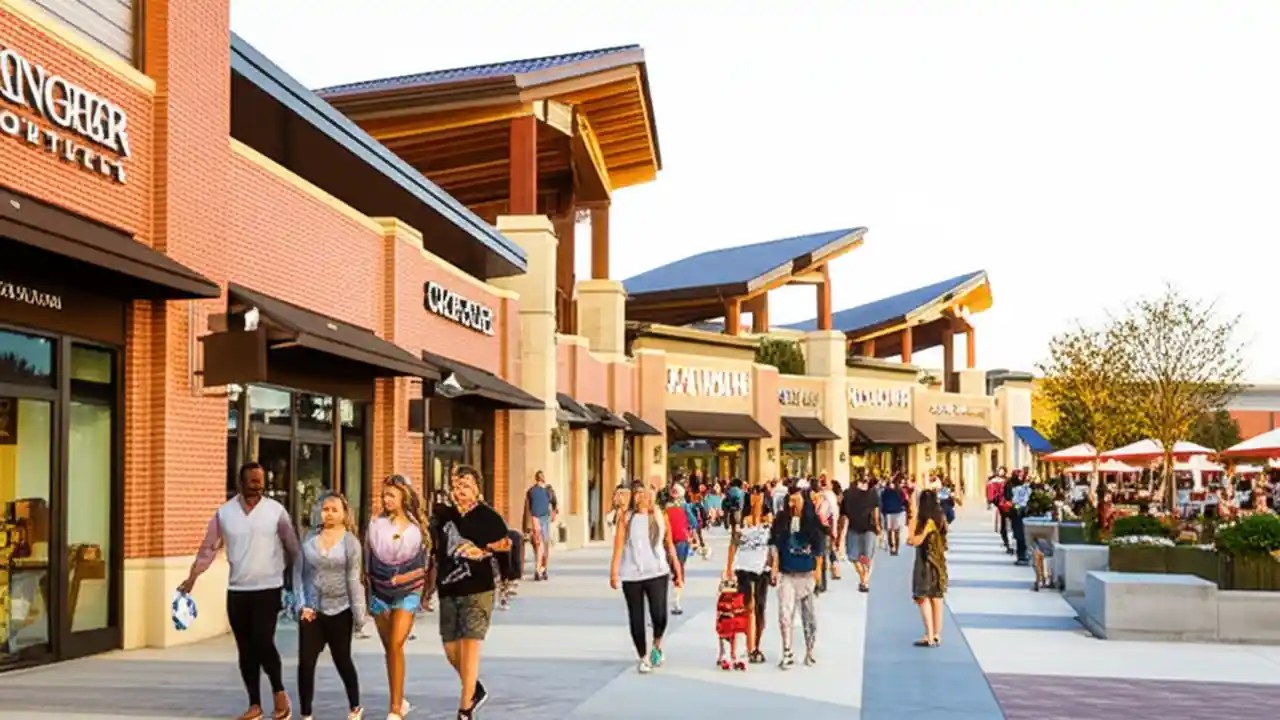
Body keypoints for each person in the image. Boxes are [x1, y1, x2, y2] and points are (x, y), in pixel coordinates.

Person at [179, 462, 300, 720]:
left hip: (268, 588)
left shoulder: (275, 511)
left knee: (263, 641)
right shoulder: (224, 513)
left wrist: (299, 579)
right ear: (240, 482)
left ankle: (279, 692)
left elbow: (292, 546)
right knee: (245, 649)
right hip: (237, 590)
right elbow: (208, 548)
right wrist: (192, 578)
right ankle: (254, 705)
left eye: (261, 480)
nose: (258, 485)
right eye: (252, 481)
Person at [432, 466, 511, 719]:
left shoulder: (489, 517)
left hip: (478, 589)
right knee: (451, 649)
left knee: (470, 646)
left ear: (477, 488)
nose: (460, 491)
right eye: (456, 486)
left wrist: (489, 554)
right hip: (448, 587)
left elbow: (506, 546)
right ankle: (474, 688)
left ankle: (465, 709)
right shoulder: (444, 515)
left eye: (465, 486)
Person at [294, 492, 366, 720]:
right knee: (306, 662)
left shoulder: (351, 543)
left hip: (340, 609)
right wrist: (301, 605)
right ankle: (306, 713)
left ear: (344, 514)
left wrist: (359, 615)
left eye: (335, 509)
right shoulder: (308, 540)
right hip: (312, 610)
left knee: (342, 659)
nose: (330, 514)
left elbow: (354, 579)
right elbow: (299, 574)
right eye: (326, 509)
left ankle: (355, 706)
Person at [366, 475, 429, 720]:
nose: (386, 499)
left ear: (404, 496)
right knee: (390, 650)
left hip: (408, 591)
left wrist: (423, 591)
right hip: (380, 590)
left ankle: (394, 710)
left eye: (391, 495)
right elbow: (368, 559)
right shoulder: (375, 524)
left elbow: (425, 563)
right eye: (384, 495)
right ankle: (399, 699)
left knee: (395, 643)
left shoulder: (416, 528)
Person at [610, 480, 684, 674]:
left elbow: (669, 544)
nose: (642, 497)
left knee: (659, 615)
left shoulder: (660, 516)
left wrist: (677, 568)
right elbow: (618, 546)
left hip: (657, 571)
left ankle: (657, 645)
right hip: (631, 574)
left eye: (645, 493)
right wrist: (614, 571)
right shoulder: (626, 518)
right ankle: (643, 656)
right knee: (636, 617)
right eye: (638, 493)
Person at [770, 485, 824, 669]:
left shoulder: (812, 521)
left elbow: (819, 549)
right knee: (785, 614)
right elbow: (775, 544)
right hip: (787, 573)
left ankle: (810, 649)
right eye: (790, 500)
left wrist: (818, 574)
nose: (793, 504)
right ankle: (787, 651)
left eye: (797, 500)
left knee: (808, 616)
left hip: (807, 572)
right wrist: (774, 567)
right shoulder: (781, 520)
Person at [721, 486, 773, 664]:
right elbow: (733, 544)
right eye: (752, 497)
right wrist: (728, 569)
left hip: (762, 569)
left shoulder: (769, 521)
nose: (755, 501)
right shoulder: (741, 520)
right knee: (747, 606)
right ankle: (749, 647)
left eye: (758, 497)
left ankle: (756, 645)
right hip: (743, 567)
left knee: (760, 608)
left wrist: (774, 567)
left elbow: (773, 546)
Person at [907, 490, 949, 647]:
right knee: (937, 597)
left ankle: (929, 634)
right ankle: (937, 634)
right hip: (939, 562)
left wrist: (911, 534)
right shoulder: (941, 518)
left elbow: (916, 540)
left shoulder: (928, 522)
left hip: (926, 562)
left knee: (922, 597)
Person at [838, 473, 880, 593]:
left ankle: (863, 578)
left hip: (853, 528)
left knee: (854, 556)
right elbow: (876, 510)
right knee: (866, 556)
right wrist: (877, 525)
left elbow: (843, 515)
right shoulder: (873, 493)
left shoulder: (848, 493)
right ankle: (864, 578)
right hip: (869, 528)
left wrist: (841, 533)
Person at [522, 470, 558, 582]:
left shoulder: (532, 491)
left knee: (539, 545)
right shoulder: (547, 491)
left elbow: (527, 508)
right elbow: (554, 504)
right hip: (541, 519)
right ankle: (541, 569)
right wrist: (553, 513)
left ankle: (540, 569)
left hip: (536, 519)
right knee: (543, 545)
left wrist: (527, 526)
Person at [665, 483, 695, 615]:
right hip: (682, 539)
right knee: (679, 568)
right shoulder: (685, 507)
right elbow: (694, 522)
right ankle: (676, 599)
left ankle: (672, 596)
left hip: (668, 540)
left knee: (670, 568)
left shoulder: (665, 508)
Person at [880, 475, 909, 555]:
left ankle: (893, 548)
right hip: (895, 512)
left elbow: (882, 501)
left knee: (891, 531)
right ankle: (894, 548)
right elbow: (905, 501)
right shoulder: (898, 491)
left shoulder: (887, 491)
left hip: (891, 512)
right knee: (895, 532)